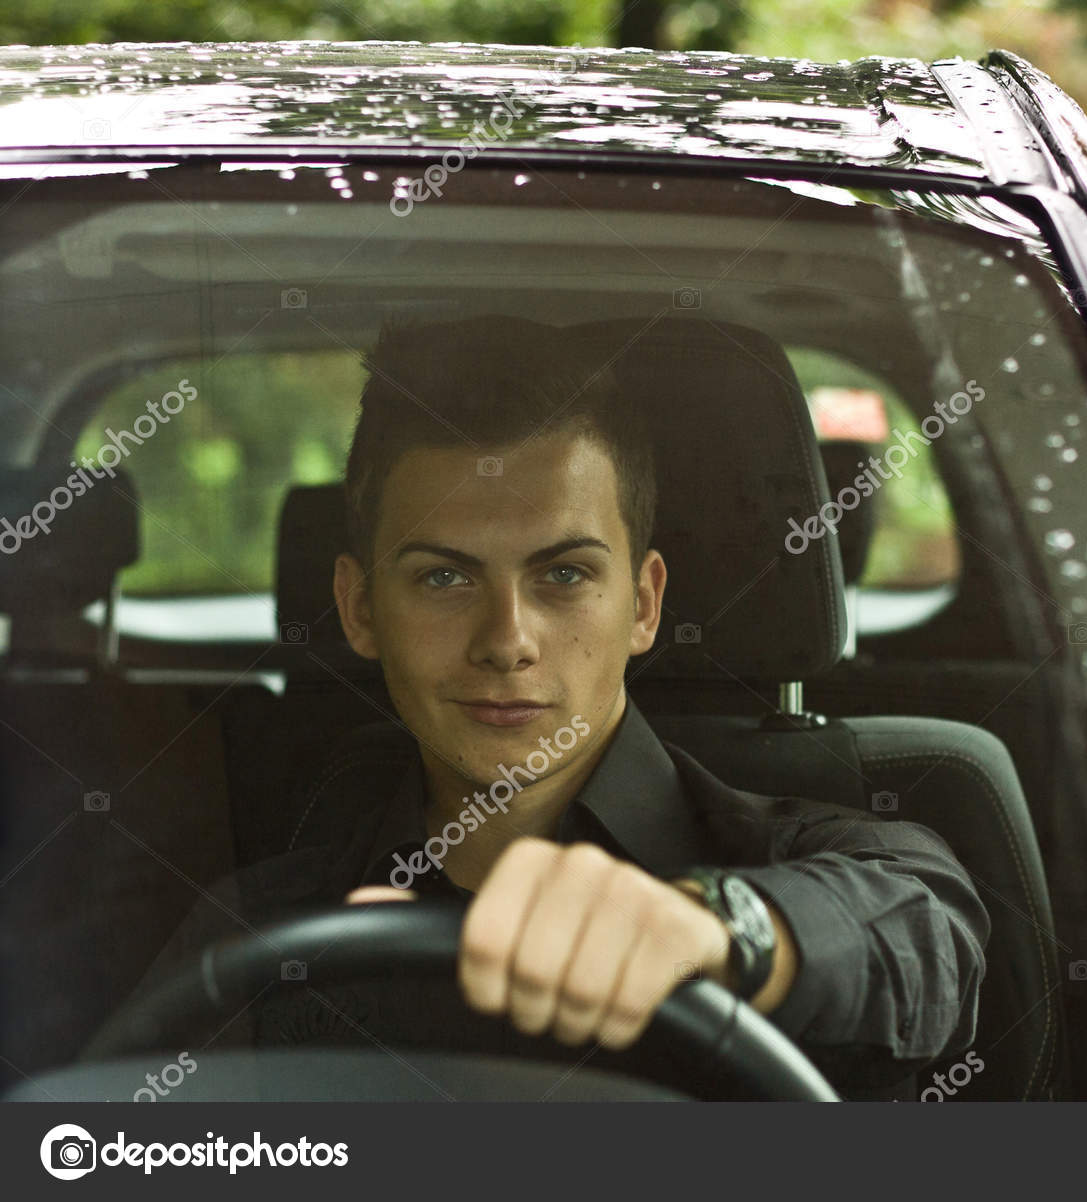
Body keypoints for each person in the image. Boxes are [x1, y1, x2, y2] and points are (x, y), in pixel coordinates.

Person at [86, 315, 989, 1100]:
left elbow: (926, 939)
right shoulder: (264, 919)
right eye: (444, 576)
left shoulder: (844, 851)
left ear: (643, 604)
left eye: (563, 574)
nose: (506, 639)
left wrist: (714, 929)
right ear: (361, 610)